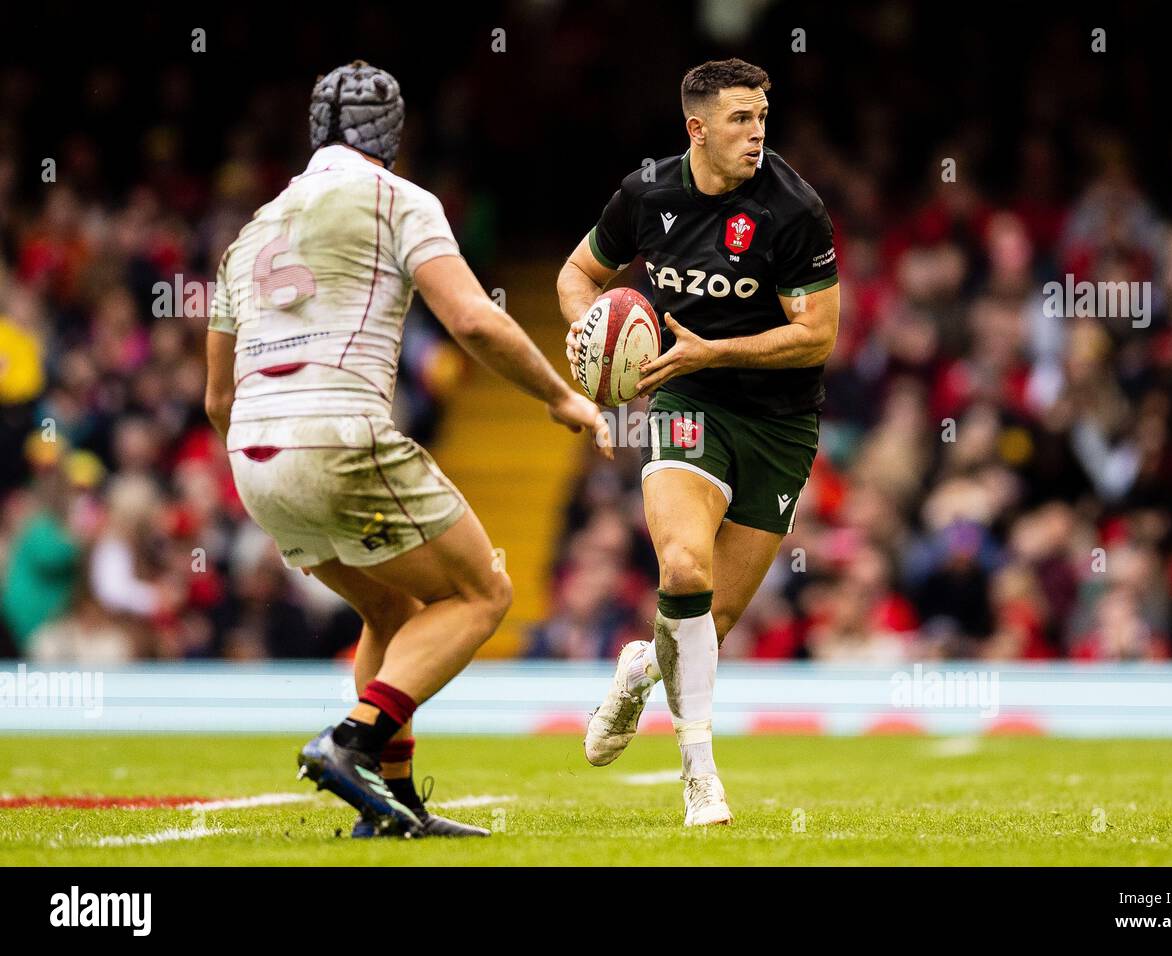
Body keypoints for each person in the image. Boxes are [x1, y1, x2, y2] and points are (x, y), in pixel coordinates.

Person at [205, 61, 609, 838]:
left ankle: (393, 804)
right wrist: (562, 398)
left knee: (389, 606)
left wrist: (271, 462)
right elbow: (474, 321)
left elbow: (216, 400)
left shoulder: (247, 232)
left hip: (254, 458)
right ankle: (350, 740)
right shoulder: (399, 198)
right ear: (392, 135)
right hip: (337, 432)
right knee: (483, 593)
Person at [556, 58, 840, 825]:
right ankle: (700, 777)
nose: (756, 133)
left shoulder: (793, 208)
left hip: (780, 424)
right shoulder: (647, 192)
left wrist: (714, 349)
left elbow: (817, 336)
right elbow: (576, 275)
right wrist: (593, 339)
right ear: (698, 128)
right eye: (741, 119)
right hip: (686, 399)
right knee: (684, 566)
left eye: (761, 118)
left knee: (705, 627)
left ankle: (641, 667)